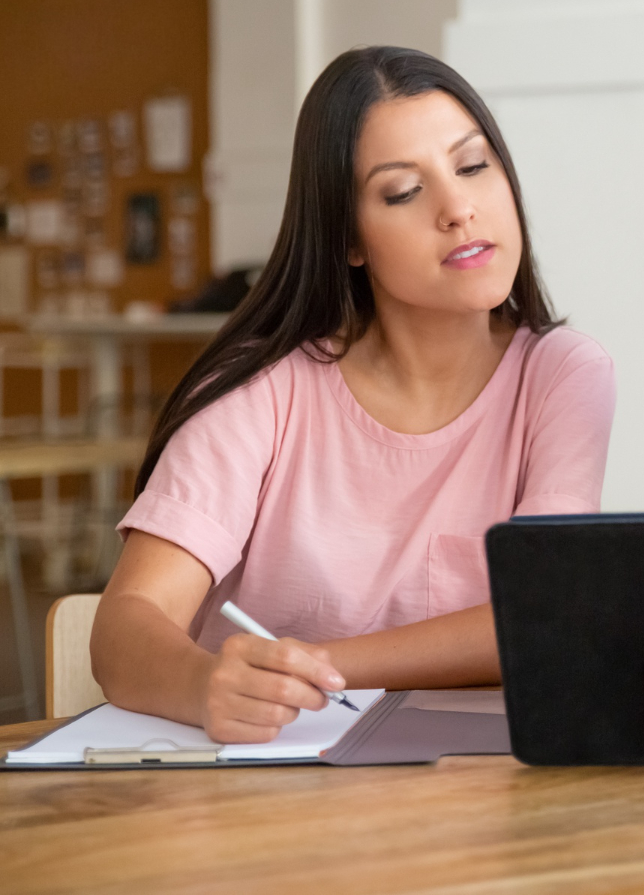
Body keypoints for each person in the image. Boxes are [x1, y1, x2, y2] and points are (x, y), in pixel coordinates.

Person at [92, 48, 614, 743]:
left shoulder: (563, 376)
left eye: (472, 165)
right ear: (349, 240)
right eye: (403, 191)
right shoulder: (260, 390)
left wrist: (315, 668)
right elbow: (125, 626)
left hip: (469, 792)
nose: (459, 209)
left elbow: (543, 614)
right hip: (264, 798)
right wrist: (201, 684)